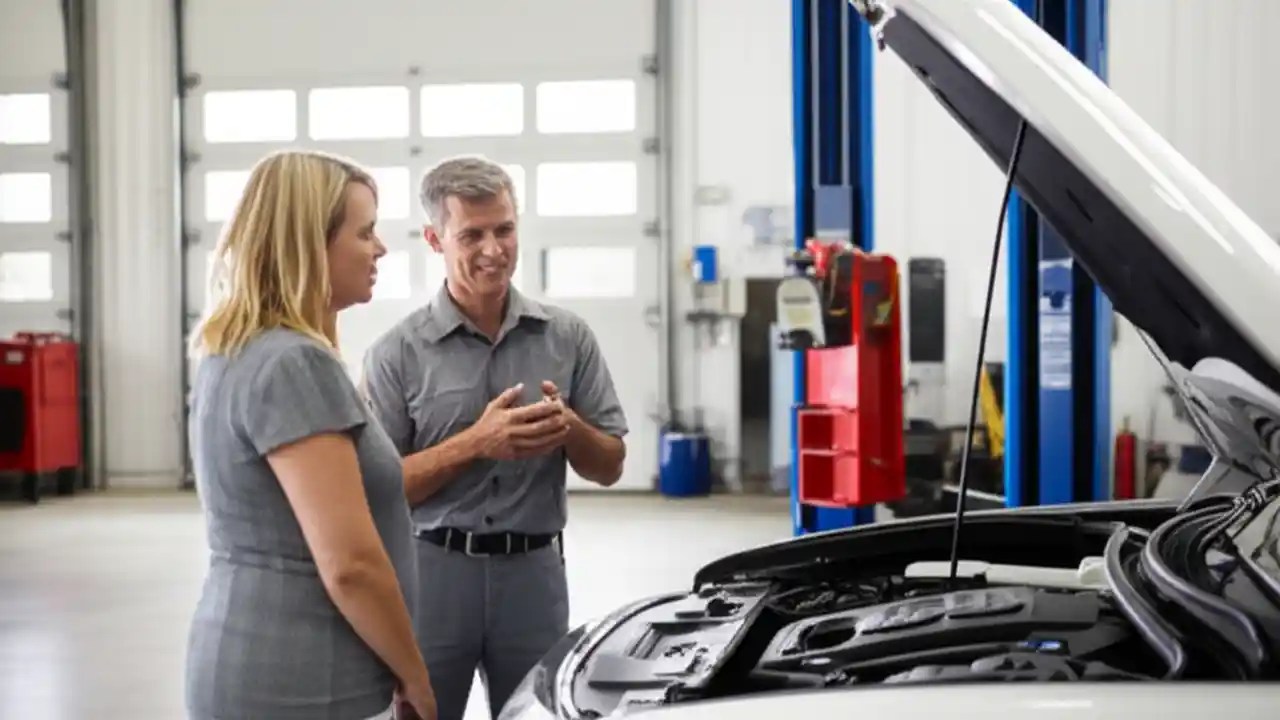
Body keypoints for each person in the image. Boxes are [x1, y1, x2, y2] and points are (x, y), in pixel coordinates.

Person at [361, 155, 628, 720]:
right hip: (432, 575)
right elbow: (378, 490)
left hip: (533, 576)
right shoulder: (396, 354)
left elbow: (609, 466)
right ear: (435, 239)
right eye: (472, 235)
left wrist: (570, 427)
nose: (494, 249)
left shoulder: (568, 337)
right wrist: (476, 443)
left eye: (504, 229)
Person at [185, 149, 436, 720]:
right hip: (300, 678)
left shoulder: (237, 352)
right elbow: (349, 561)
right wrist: (414, 673)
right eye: (365, 232)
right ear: (309, 243)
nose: (380, 249)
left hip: (259, 658)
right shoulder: (294, 365)